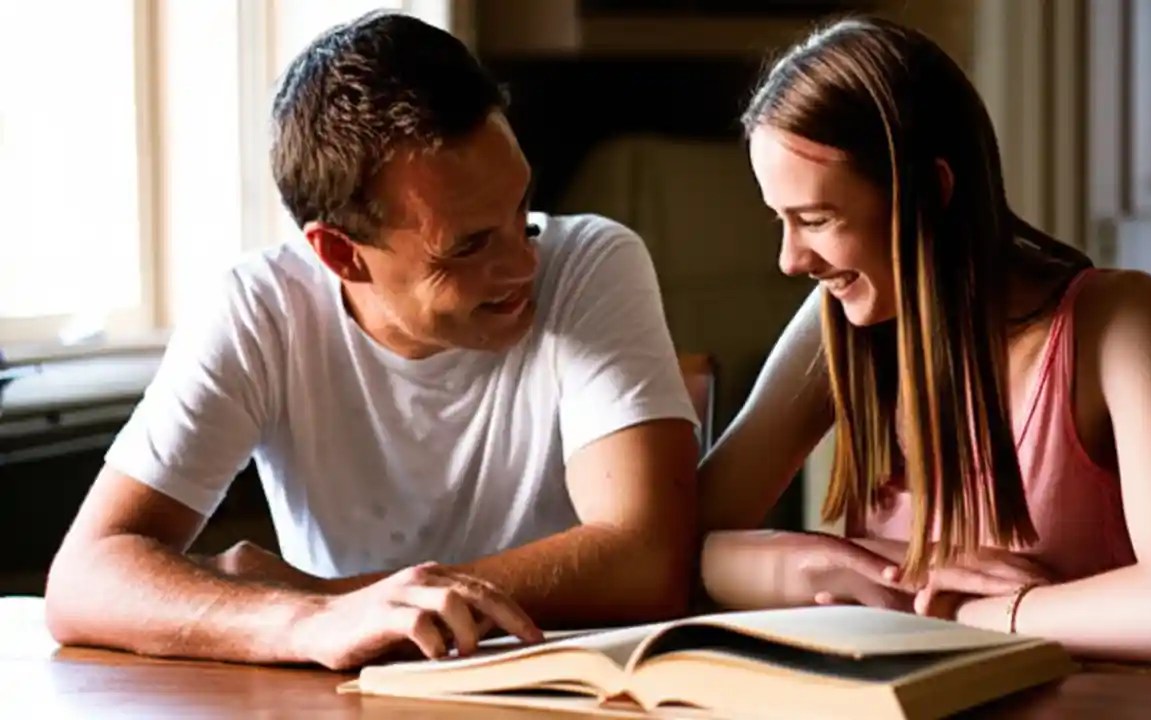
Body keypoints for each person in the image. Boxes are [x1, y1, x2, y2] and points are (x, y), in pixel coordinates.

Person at [45, 11, 699, 670]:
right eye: (469, 245)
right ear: (341, 255)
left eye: (518, 210)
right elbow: (82, 582)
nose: (523, 265)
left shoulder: (592, 262)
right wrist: (302, 623)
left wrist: (331, 601)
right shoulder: (262, 309)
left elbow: (646, 560)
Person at [696, 16, 1151, 667]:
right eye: (780, 221)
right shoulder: (836, 320)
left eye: (816, 219)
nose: (790, 260)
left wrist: (964, 614)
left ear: (930, 192)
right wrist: (819, 566)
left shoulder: (1120, 322)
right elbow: (680, 545)